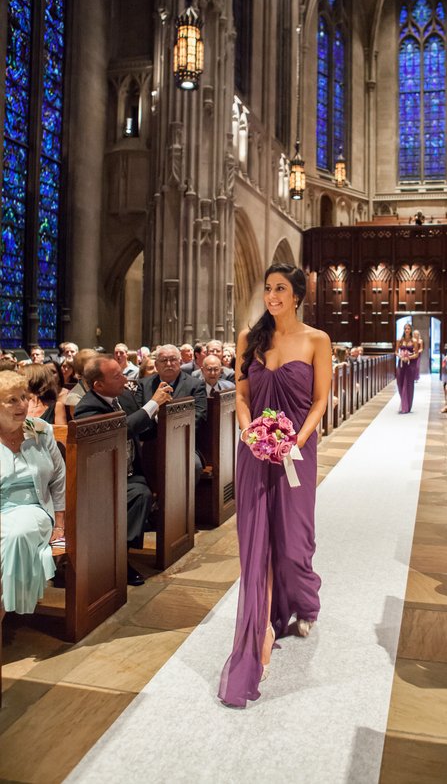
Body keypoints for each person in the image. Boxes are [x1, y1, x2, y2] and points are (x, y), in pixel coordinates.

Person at [218, 263, 332, 708]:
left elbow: (321, 399)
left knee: (292, 542)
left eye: (281, 289)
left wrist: (294, 440)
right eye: (268, 289)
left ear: (298, 295)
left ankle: (302, 601)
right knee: (256, 543)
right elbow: (242, 396)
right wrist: (250, 432)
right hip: (254, 452)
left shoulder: (317, 340)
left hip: (296, 455)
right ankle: (259, 627)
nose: (272, 296)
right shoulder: (249, 339)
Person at [75, 356, 172, 586]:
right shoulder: (87, 408)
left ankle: (117, 554)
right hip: (100, 481)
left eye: (122, 372)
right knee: (140, 495)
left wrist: (162, 412)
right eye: (117, 376)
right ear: (98, 385)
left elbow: (143, 431)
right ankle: (118, 559)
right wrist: (152, 404)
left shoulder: (124, 396)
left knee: (145, 491)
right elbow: (121, 429)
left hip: (127, 473)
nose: (125, 379)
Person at [0, 370, 66, 614]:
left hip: (34, 508)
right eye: (12, 400)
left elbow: (59, 477)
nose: (22, 405)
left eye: (24, 397)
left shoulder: (40, 430)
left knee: (18, 533)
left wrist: (60, 523)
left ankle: (4, 609)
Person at [138, 344, 208, 483]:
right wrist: (157, 418)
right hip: (151, 442)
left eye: (173, 359)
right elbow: (138, 416)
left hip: (183, 444)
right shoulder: (144, 385)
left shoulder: (195, 385)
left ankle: (184, 504)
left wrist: (171, 427)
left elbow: (199, 417)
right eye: (164, 360)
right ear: (156, 365)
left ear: (180, 362)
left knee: (193, 466)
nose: (168, 364)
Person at [395, 323, 419, 413]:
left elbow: (416, 354)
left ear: (411, 330)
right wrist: (400, 356)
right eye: (405, 328)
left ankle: (406, 406)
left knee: (408, 384)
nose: (407, 330)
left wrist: (409, 357)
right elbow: (396, 352)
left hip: (410, 364)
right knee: (400, 383)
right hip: (401, 363)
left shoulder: (414, 341)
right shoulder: (399, 340)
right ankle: (404, 402)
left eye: (408, 329)